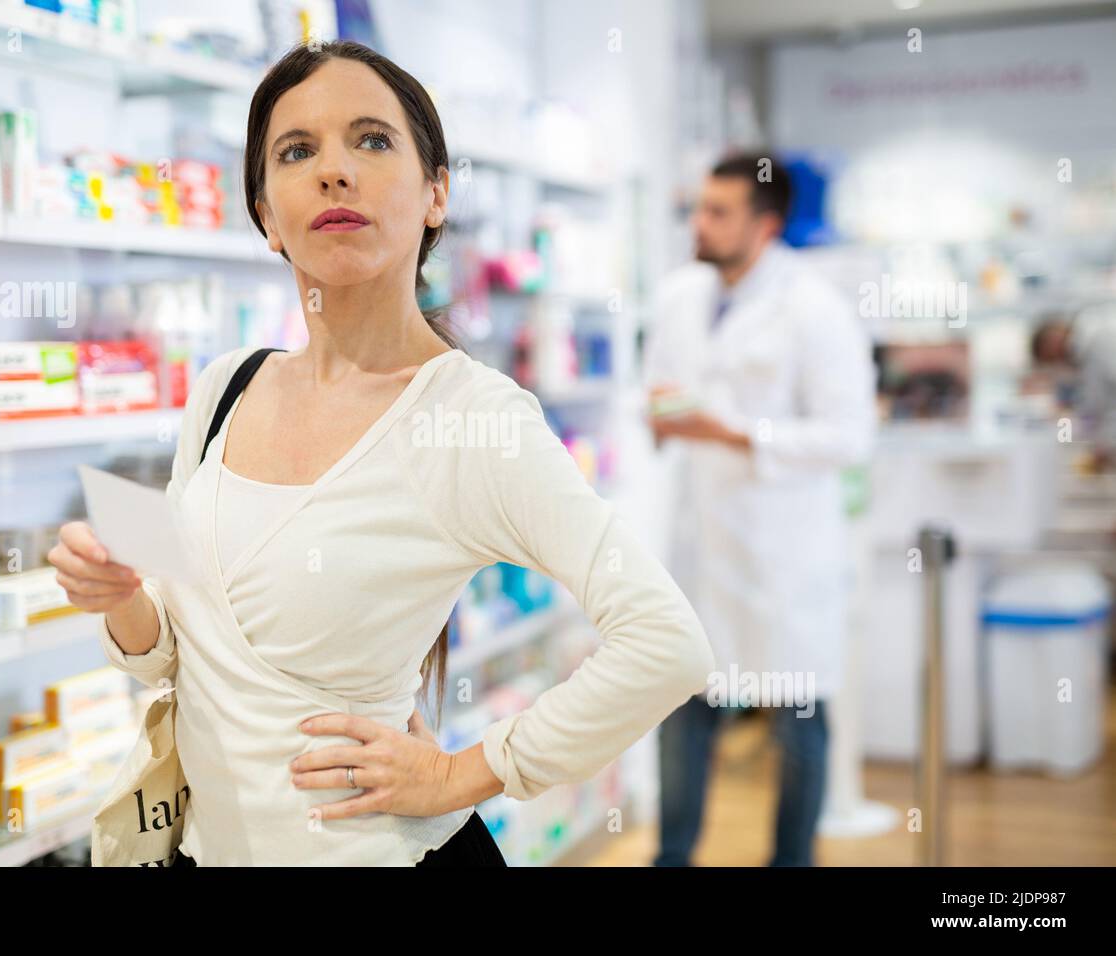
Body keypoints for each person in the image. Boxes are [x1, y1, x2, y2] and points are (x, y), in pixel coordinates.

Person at [47, 40, 714, 866]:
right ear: (264, 215)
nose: (334, 172)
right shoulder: (227, 387)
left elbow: (667, 641)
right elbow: (176, 656)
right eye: (296, 152)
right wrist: (117, 593)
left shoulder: (471, 418)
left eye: (371, 140)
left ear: (436, 194)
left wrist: (468, 773)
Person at [643, 153, 876, 867]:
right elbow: (656, 390)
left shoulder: (814, 309)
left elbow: (849, 436)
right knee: (683, 714)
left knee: (799, 724)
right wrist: (662, 416)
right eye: (700, 208)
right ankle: (672, 858)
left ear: (766, 225)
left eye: (720, 212)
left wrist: (739, 431)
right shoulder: (681, 295)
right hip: (701, 551)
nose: (701, 225)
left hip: (782, 560)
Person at [1031, 305, 1116, 472]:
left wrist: (1107, 444)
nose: (1056, 362)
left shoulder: (1101, 343)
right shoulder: (1086, 355)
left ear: (1053, 339)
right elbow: (1096, 405)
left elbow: (1102, 406)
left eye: (1051, 358)